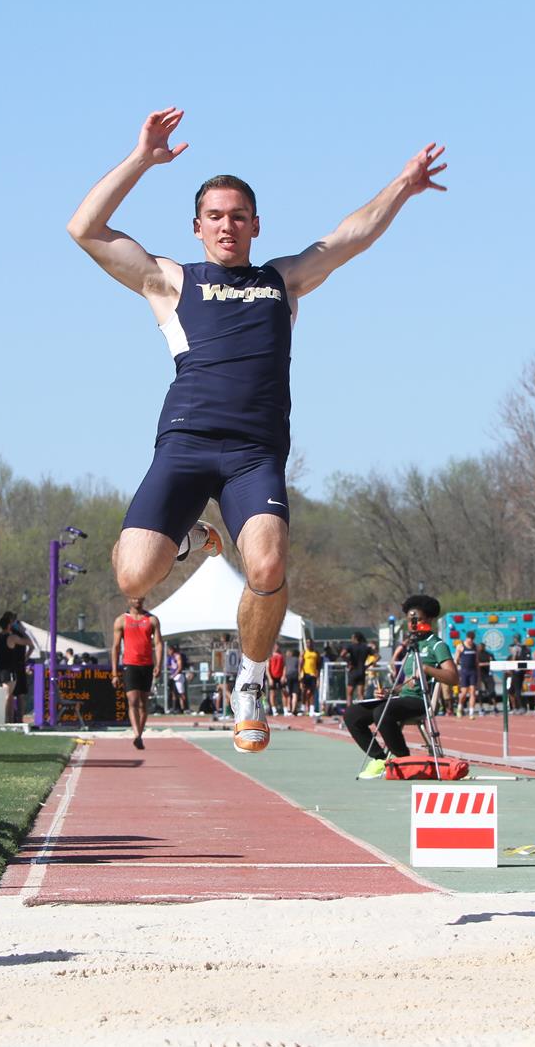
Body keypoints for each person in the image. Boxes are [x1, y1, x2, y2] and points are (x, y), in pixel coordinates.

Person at [68, 107, 447, 754]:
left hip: (253, 455)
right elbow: (85, 228)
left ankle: (249, 681)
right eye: (215, 215)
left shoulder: (282, 280)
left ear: (255, 225)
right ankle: (194, 536)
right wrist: (142, 158)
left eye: (238, 216)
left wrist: (402, 186)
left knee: (268, 564)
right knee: (134, 576)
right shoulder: (170, 281)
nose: (227, 225)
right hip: (185, 445)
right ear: (197, 226)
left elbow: (348, 237)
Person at [347, 595, 457, 778]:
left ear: (429, 619)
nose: (413, 624)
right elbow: (408, 683)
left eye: (418, 620)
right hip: (402, 698)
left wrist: (427, 668)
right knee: (353, 714)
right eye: (410, 620)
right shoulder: (412, 647)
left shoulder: (436, 645)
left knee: (382, 711)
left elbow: (453, 678)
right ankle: (379, 759)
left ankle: (402, 759)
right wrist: (390, 691)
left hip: (421, 700)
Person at [110, 598, 164, 750]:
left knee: (143, 703)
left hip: (147, 665)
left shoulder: (152, 620)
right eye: (134, 597)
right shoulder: (121, 621)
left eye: (140, 597)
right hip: (130, 665)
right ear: (128, 600)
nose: (137, 600)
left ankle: (139, 732)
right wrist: (114, 672)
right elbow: (115, 647)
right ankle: (137, 735)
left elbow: (159, 643)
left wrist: (159, 664)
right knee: (132, 700)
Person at [0, 612, 34, 719]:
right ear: (9, 624)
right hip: (10, 668)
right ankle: (8, 718)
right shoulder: (12, 637)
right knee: (8, 696)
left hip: (2, 667)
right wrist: (22, 631)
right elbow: (30, 643)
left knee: (11, 695)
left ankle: (12, 718)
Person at [344, 632, 371, 709]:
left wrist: (348, 662)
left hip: (353, 671)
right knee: (360, 694)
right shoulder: (365, 647)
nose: (351, 639)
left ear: (355, 638)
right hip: (361, 671)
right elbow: (378, 656)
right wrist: (369, 665)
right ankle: (362, 711)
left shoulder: (351, 646)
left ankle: (348, 712)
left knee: (349, 694)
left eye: (352, 638)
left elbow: (342, 654)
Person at [455, 632, 479, 717]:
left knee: (473, 692)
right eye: (469, 639)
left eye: (472, 639)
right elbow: (456, 659)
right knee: (464, 693)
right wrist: (458, 669)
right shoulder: (460, 646)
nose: (470, 641)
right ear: (466, 638)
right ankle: (459, 706)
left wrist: (478, 673)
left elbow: (476, 661)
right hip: (464, 672)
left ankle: (471, 712)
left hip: (473, 672)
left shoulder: (475, 647)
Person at [167, 644, 188, 712]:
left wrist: (174, 674)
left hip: (178, 676)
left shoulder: (178, 656)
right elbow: (170, 666)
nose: (168, 652)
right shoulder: (171, 657)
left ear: (172, 650)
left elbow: (180, 667)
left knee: (181, 693)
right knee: (173, 693)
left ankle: (184, 708)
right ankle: (174, 708)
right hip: (173, 676)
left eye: (169, 650)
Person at [266, 647, 286, 715]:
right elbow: (267, 668)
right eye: (275, 646)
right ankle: (274, 710)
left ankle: (285, 710)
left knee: (284, 692)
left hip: (280, 677)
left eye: (277, 646)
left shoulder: (281, 656)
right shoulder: (270, 656)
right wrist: (270, 678)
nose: (276, 647)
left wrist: (283, 676)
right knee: (272, 694)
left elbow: (284, 667)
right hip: (273, 677)